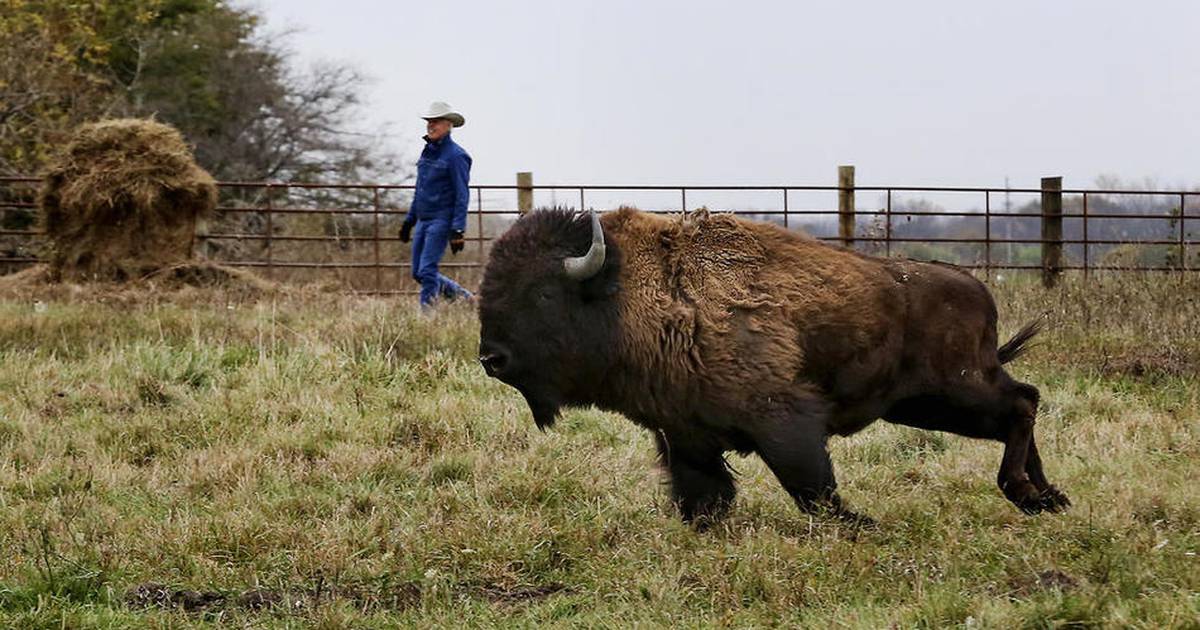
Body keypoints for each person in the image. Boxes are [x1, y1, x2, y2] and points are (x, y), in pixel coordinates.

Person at [399, 101, 474, 308]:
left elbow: (462, 194)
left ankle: (427, 316)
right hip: (423, 218)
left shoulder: (457, 156)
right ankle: (465, 299)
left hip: (441, 220)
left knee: (427, 270)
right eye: (429, 121)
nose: (431, 125)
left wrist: (458, 229)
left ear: (449, 124)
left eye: (436, 121)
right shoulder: (427, 152)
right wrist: (409, 221)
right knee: (417, 272)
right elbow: (420, 188)